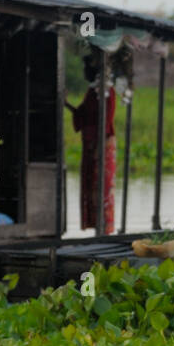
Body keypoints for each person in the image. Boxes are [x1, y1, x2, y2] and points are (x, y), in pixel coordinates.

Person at [65, 55, 116, 233]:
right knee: (90, 185)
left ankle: (104, 228)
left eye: (86, 69)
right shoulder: (91, 91)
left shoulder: (107, 92)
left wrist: (99, 149)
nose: (84, 73)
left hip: (101, 144)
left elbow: (106, 120)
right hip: (91, 144)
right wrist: (67, 104)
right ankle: (96, 227)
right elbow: (82, 115)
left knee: (101, 186)